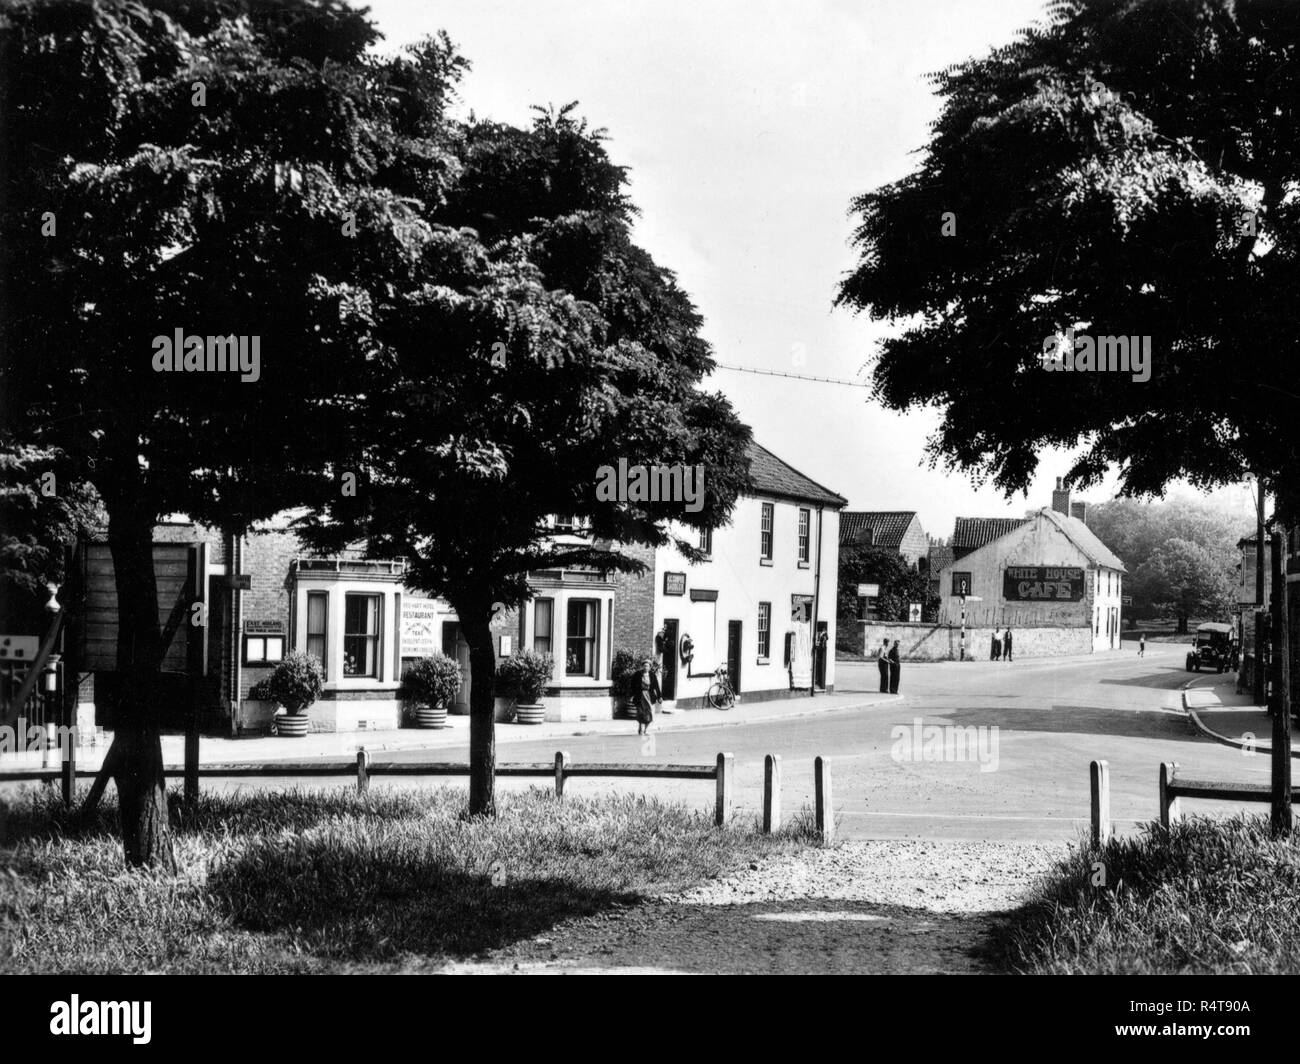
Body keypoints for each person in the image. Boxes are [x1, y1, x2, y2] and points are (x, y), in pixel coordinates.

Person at [635, 661, 655, 735]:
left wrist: (659, 696)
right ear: (642, 667)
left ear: (650, 667)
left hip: (649, 695)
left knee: (649, 713)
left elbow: (656, 686)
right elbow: (633, 685)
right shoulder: (638, 675)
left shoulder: (652, 675)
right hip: (640, 695)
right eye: (644, 666)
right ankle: (640, 728)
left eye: (647, 666)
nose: (646, 667)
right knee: (641, 712)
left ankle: (645, 729)